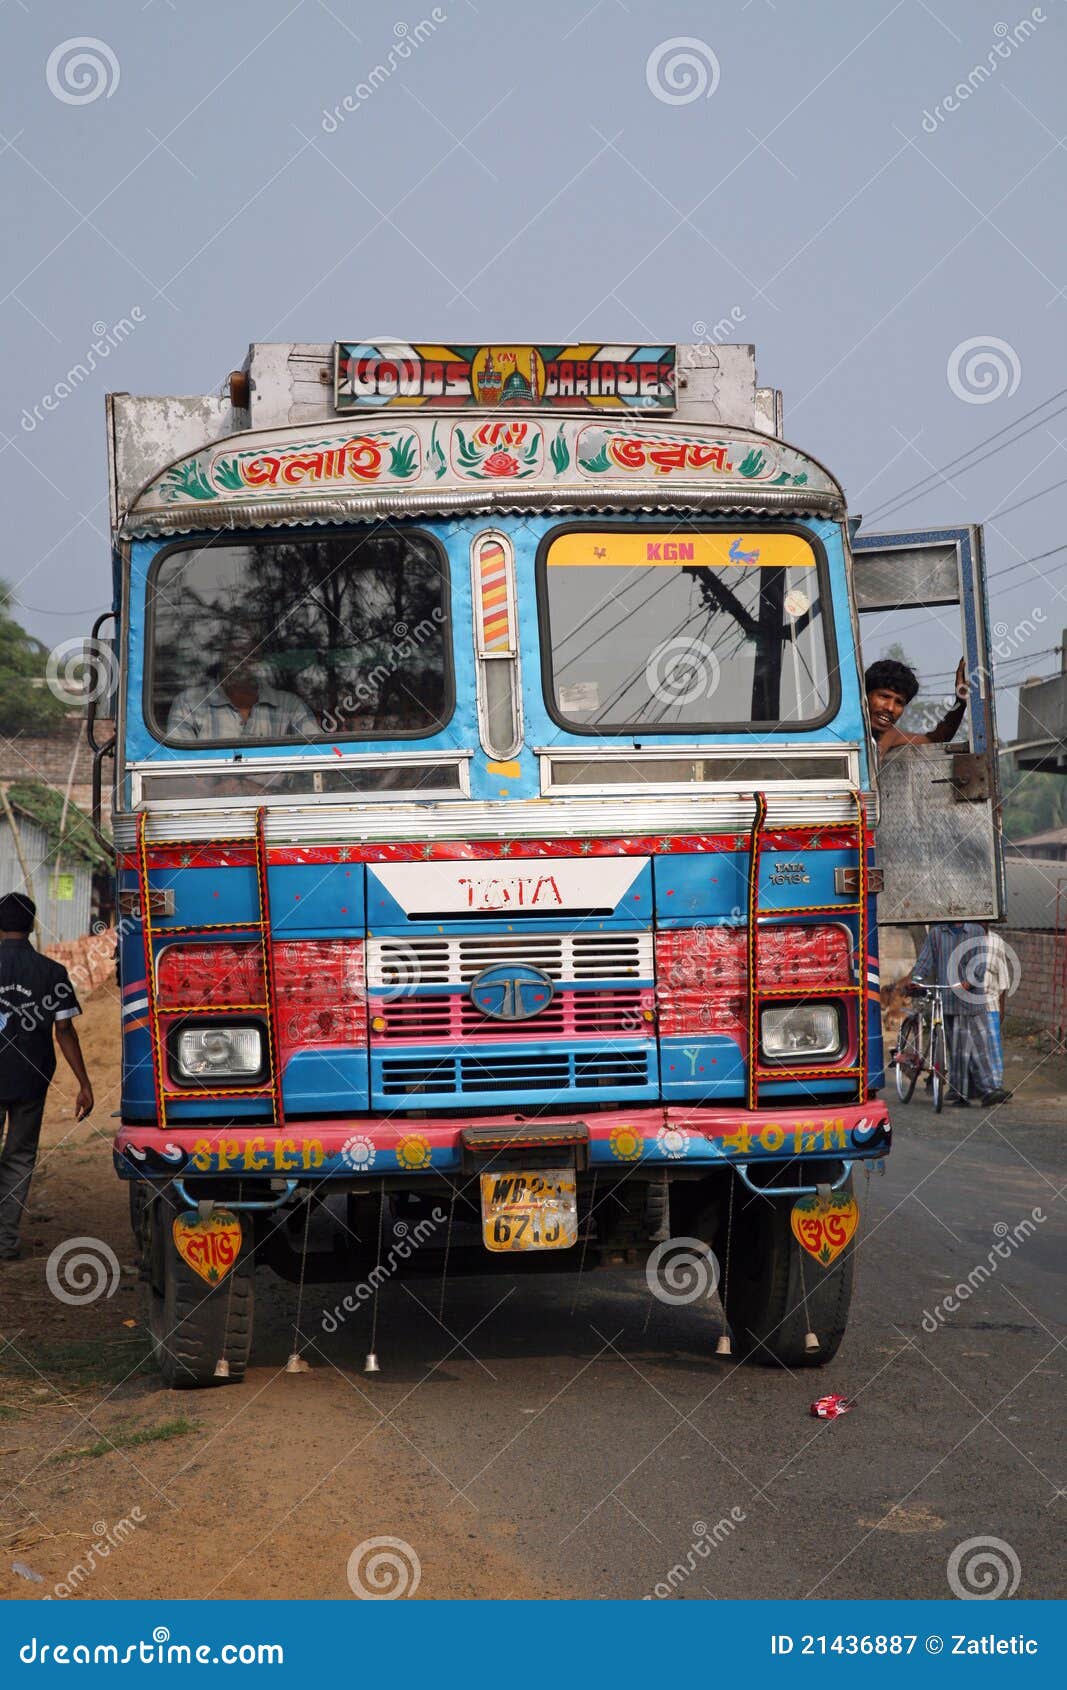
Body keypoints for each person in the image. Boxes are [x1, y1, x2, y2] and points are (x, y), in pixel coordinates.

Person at [0, 893, 94, 1261]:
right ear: (32, 925)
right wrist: (84, 1084)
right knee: (20, 1157)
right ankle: (5, 1242)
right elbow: (65, 1031)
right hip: (30, 1078)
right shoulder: (52, 973)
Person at [912, 920, 1012, 1108]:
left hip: (972, 1001)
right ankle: (961, 1093)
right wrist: (916, 979)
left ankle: (989, 1089)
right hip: (949, 1001)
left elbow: (981, 963)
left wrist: (969, 982)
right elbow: (925, 960)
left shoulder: (975, 931)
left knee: (979, 1047)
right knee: (957, 1050)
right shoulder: (937, 933)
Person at [166, 629, 317, 742]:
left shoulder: (290, 706)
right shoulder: (189, 703)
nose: (241, 664)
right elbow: (179, 767)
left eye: (250, 657)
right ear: (222, 658)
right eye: (234, 656)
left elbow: (317, 758)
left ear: (261, 662)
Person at [865, 656, 968, 750]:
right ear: (865, 695)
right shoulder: (850, 726)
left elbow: (934, 740)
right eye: (884, 696)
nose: (890, 708)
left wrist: (960, 702)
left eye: (899, 702)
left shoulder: (889, 735)